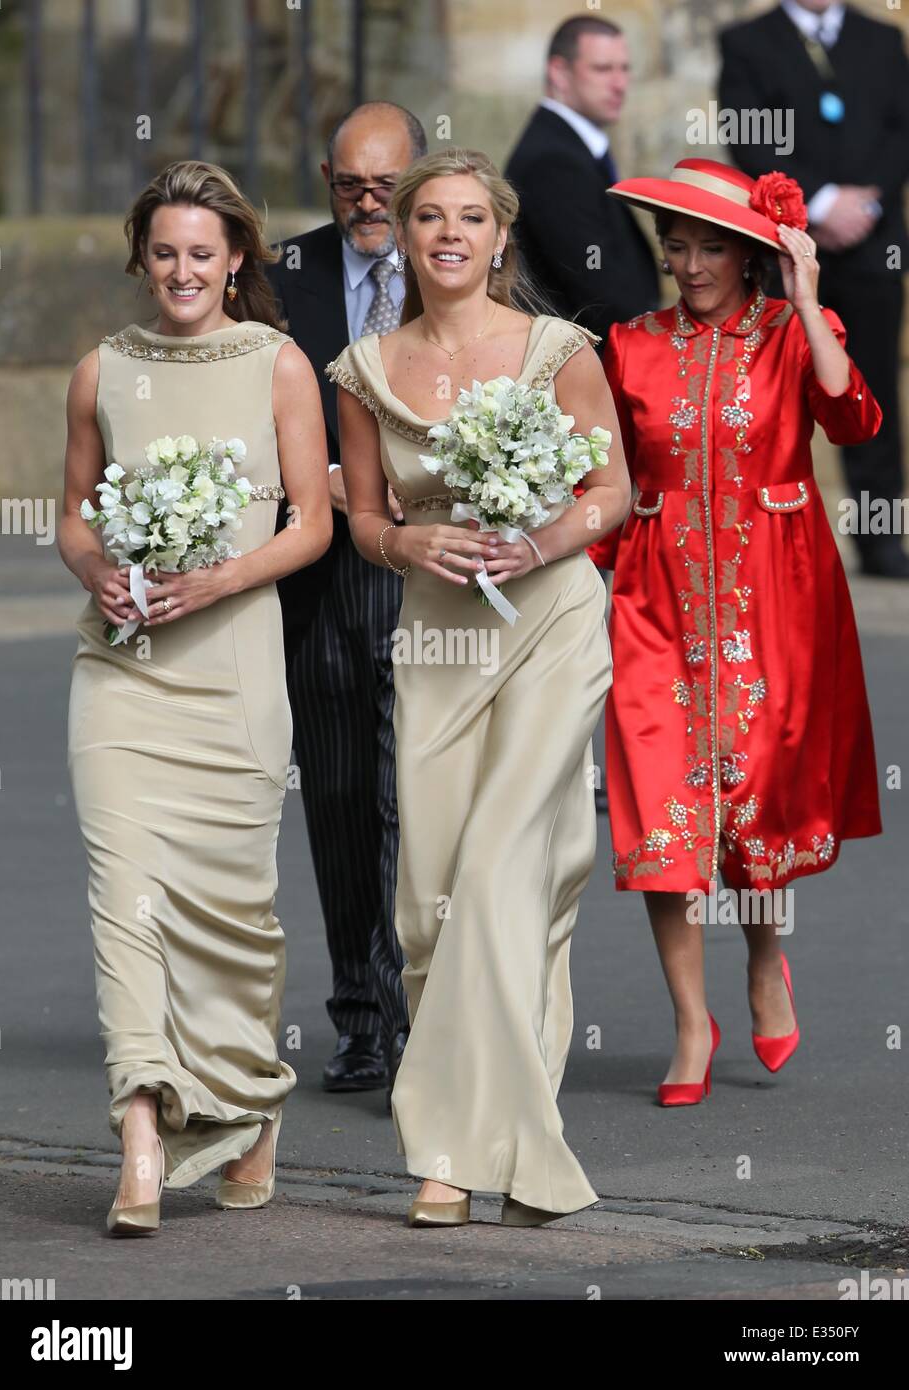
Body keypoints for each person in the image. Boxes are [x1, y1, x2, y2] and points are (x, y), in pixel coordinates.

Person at [326, 148, 630, 1225]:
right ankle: (517, 1129)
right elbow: (362, 521)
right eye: (426, 219)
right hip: (439, 644)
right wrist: (417, 545)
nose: (447, 234)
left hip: (550, 624)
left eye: (468, 218)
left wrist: (536, 541)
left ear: (500, 237)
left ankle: (449, 1154)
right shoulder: (362, 369)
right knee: (433, 901)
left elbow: (613, 490)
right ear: (401, 238)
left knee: (501, 866)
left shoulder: (558, 350)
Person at [59, 160, 333, 1233]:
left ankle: (251, 1103)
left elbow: (312, 521)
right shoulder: (99, 370)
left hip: (232, 671)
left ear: (235, 263)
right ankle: (140, 1136)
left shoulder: (278, 364)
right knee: (124, 901)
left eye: (202, 255)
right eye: (165, 252)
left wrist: (216, 576)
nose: (182, 270)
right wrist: (98, 571)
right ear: (143, 259)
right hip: (119, 673)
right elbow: (75, 514)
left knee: (234, 917)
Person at [592, 158, 882, 1105]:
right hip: (654, 595)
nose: (691, 263)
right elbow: (604, 480)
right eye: (676, 245)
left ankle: (764, 960)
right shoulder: (628, 345)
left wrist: (807, 298)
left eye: (711, 245)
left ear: (752, 250)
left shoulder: (793, 334)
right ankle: (688, 1020)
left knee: (756, 796)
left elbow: (854, 420)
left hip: (773, 593)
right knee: (661, 802)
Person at [266, 103, 424, 1104]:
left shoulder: (462, 261)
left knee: (420, 799)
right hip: (324, 573)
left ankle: (430, 1010)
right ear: (325, 175)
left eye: (386, 188)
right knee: (335, 799)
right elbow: (246, 402)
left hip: (433, 573)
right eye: (349, 186)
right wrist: (312, 474)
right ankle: (361, 1019)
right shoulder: (280, 276)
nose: (369, 206)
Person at [718, 0, 909, 578]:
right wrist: (821, 202)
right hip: (788, 250)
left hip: (875, 247)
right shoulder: (747, 41)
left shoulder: (882, 39)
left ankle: (880, 541)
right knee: (773, 392)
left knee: (872, 390)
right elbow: (745, 135)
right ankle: (760, 534)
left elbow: (900, 129)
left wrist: (866, 202)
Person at [505, 13, 659, 341]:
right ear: (559, 72)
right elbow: (597, 290)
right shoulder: (553, 160)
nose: (620, 83)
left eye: (625, 69)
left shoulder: (572, 148)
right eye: (603, 69)